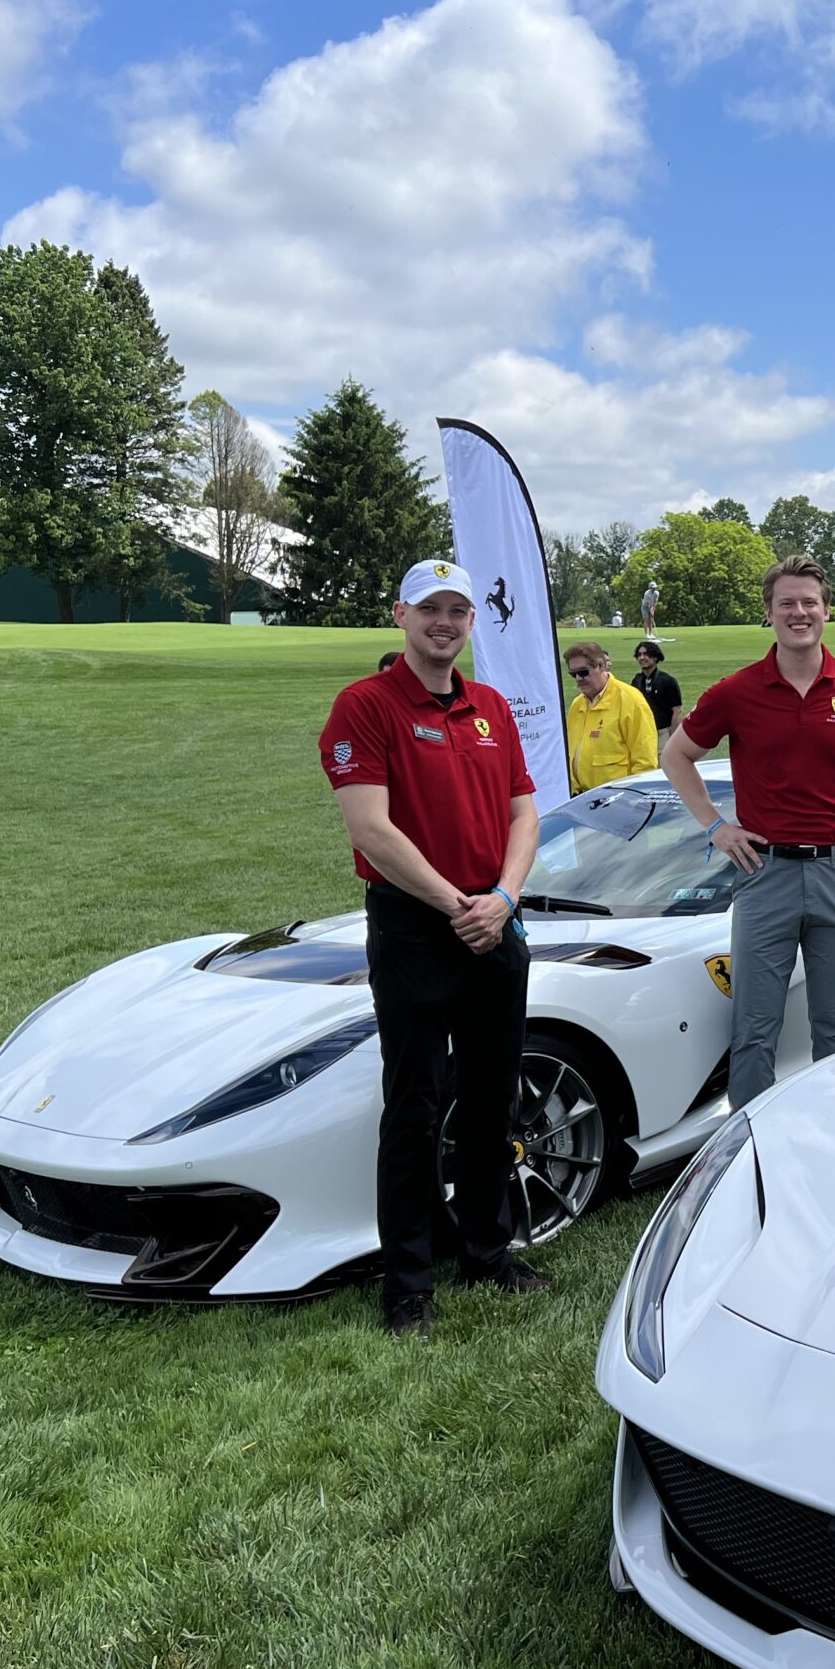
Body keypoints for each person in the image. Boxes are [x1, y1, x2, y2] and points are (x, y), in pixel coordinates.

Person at [318, 559, 545, 1337]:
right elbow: (371, 831)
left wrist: (503, 901)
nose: (444, 622)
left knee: (492, 1098)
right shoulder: (366, 706)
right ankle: (408, 1283)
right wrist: (457, 905)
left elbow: (525, 812)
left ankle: (488, 1251)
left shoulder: (489, 707)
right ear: (400, 616)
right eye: (429, 610)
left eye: (458, 610)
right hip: (419, 925)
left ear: (472, 621)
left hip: (494, 916)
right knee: (414, 1107)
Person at [660, 554, 835, 1110]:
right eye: (787, 603)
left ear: (827, 611)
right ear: (770, 613)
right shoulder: (735, 692)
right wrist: (716, 827)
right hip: (765, 873)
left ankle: (828, 1134)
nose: (799, 612)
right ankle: (749, 1149)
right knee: (754, 1027)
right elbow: (677, 756)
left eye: (810, 602)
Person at [562, 639, 658, 791]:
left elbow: (645, 761)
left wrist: (632, 798)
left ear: (601, 666)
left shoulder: (630, 700)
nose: (579, 678)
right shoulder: (577, 705)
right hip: (581, 798)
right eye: (573, 674)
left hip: (618, 800)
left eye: (583, 672)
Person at [632, 640, 683, 739]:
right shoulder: (637, 681)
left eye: (646, 654)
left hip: (662, 733)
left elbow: (676, 711)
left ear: (655, 657)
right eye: (639, 655)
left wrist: (673, 737)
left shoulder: (667, 681)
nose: (641, 658)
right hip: (643, 732)